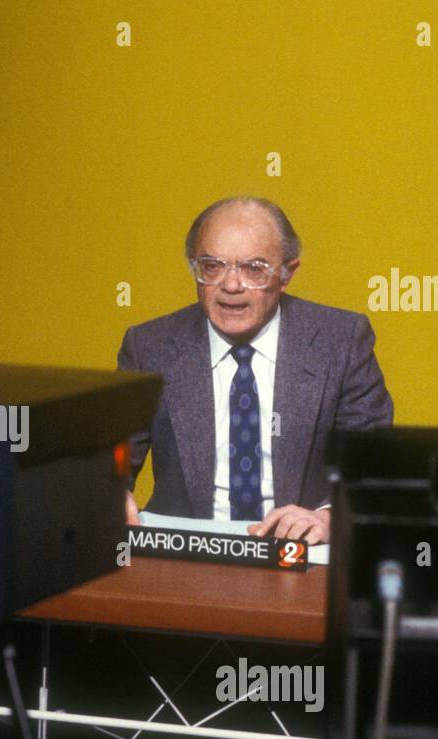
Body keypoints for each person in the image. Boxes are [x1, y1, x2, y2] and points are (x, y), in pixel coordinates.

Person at [118, 196, 393, 544]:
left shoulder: (341, 341)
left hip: (300, 555)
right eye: (213, 266)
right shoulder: (149, 347)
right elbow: (111, 460)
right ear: (194, 268)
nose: (232, 285)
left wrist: (329, 518)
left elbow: (372, 470)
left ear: (286, 273)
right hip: (183, 556)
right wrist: (108, 492)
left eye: (254, 268)